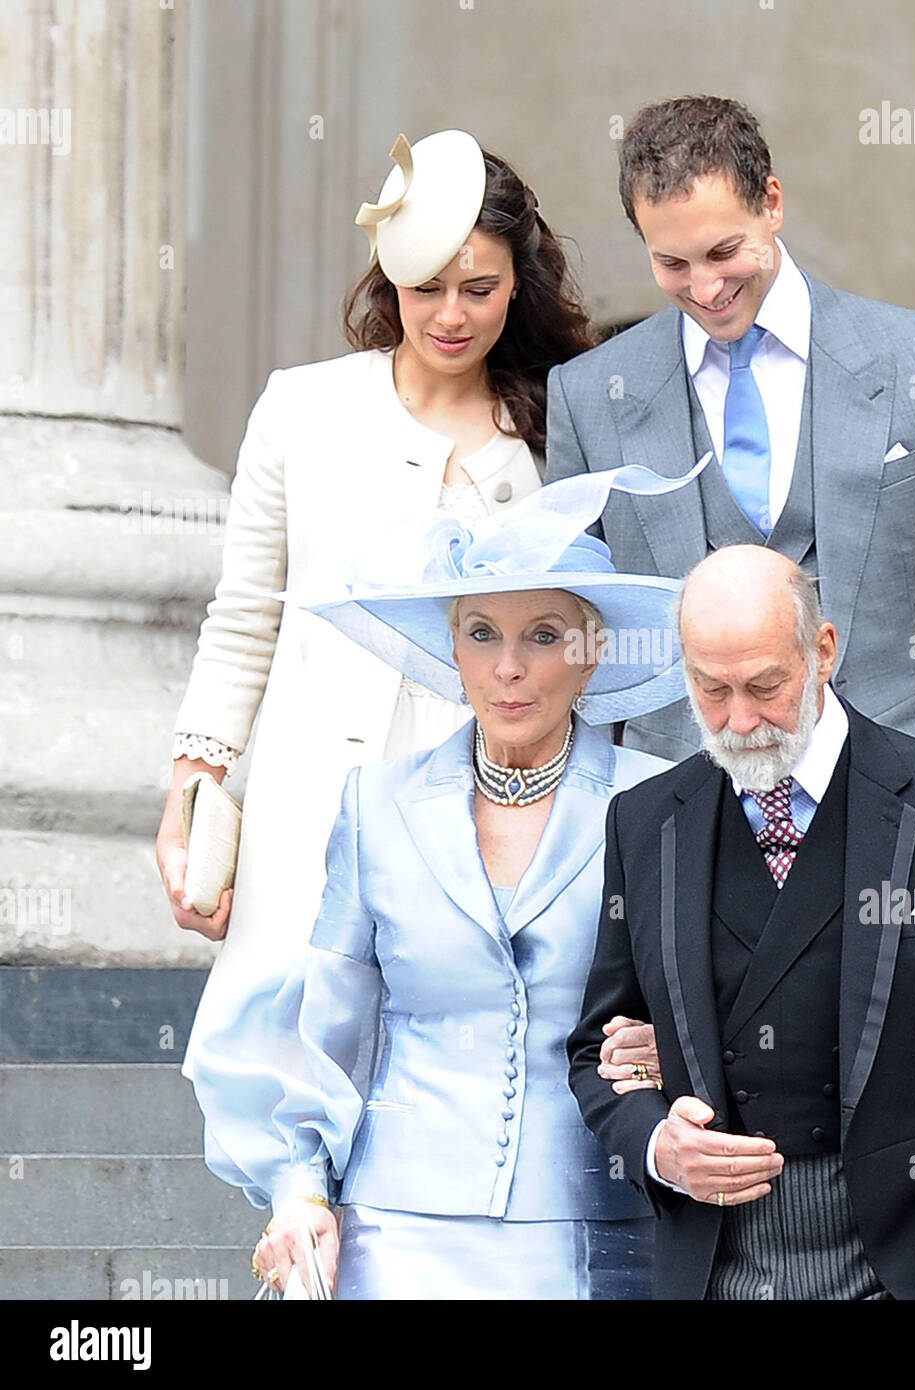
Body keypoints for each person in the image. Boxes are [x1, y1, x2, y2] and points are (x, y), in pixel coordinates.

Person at [154, 130, 596, 1086]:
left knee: (446, 1089)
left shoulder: (559, 439)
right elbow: (246, 615)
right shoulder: (300, 411)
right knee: (294, 1096)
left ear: (518, 283)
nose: (450, 314)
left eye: (477, 287)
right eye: (424, 286)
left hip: (489, 811)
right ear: (386, 276)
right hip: (309, 806)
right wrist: (194, 795)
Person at [197, 464, 702, 1300]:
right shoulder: (379, 803)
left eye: (543, 635)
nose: (507, 667)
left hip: (597, 1226)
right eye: (480, 633)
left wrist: (672, 1051)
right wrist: (301, 1189)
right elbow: (332, 1022)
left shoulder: (662, 802)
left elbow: (723, 1008)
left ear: (591, 653)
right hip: (397, 1228)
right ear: (450, 649)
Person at [545, 95, 915, 912]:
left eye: (723, 250)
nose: (705, 288)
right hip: (694, 800)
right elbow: (590, 644)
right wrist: (598, 860)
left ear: (772, 204)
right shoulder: (587, 398)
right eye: (672, 264)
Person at [568, 545, 915, 1300]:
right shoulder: (643, 824)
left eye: (765, 685)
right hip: (714, 1268)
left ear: (822, 650)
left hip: (905, 1267)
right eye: (710, 690)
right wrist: (660, 1146)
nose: (739, 720)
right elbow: (599, 1053)